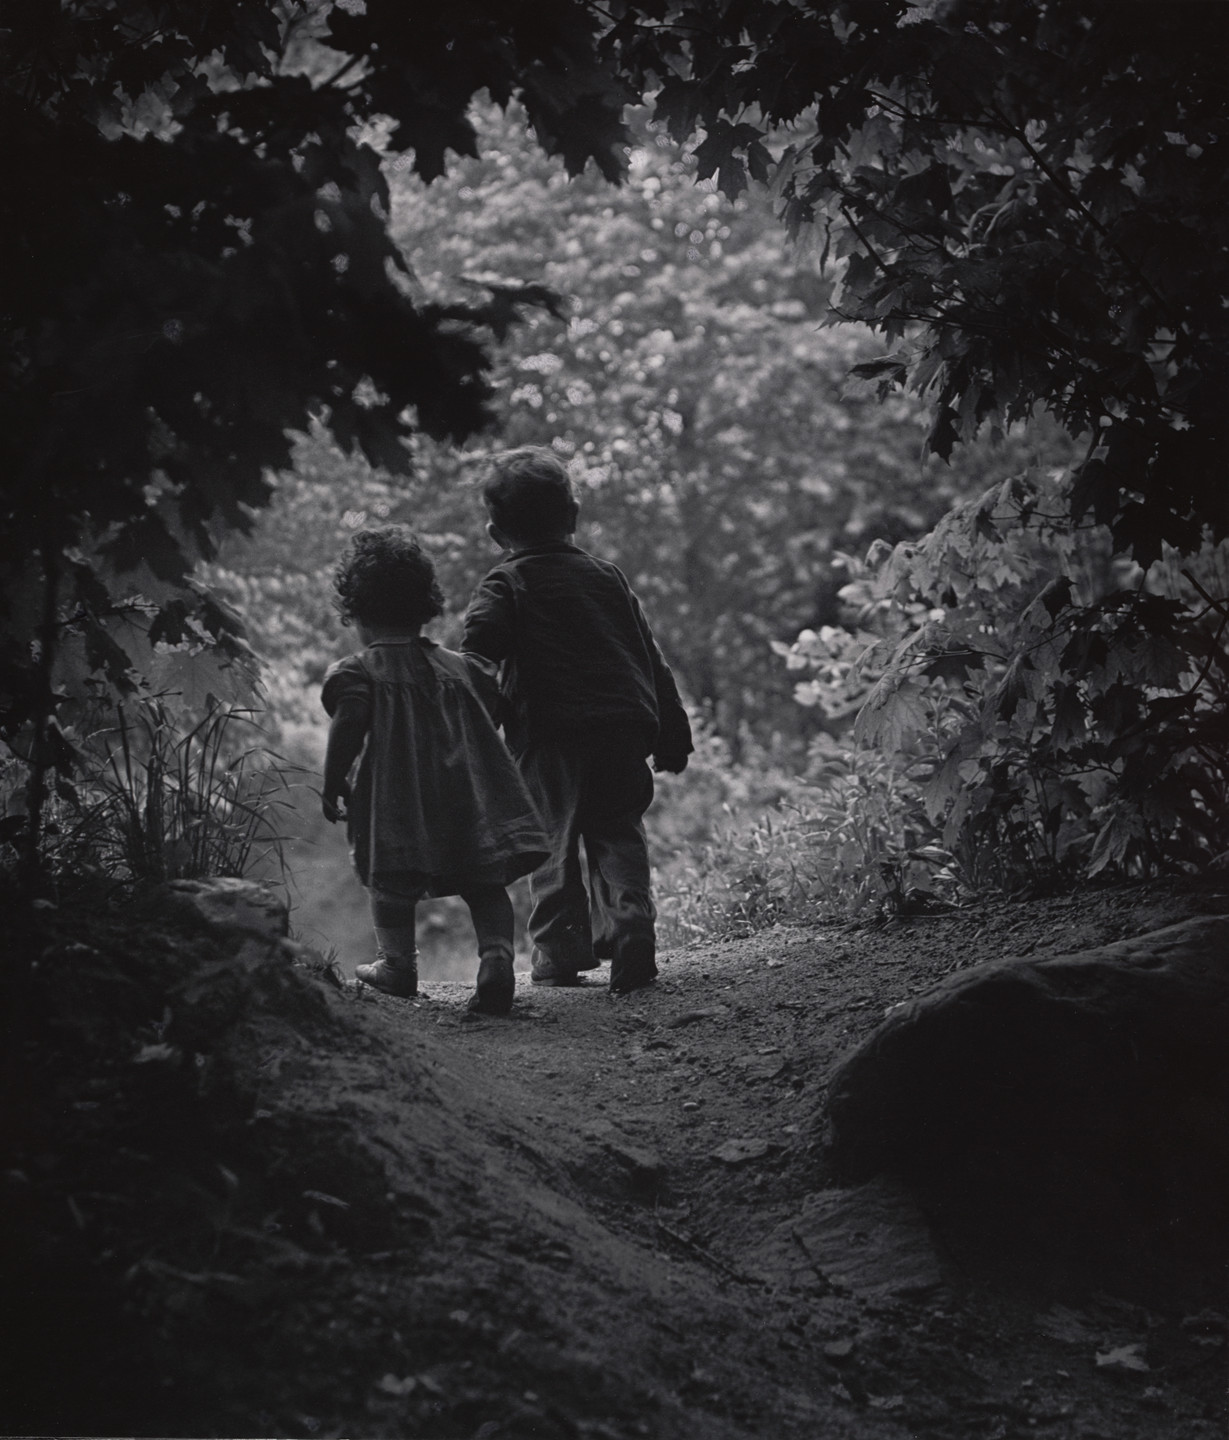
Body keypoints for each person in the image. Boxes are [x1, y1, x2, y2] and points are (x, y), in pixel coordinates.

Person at [462, 446, 693, 996]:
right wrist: (672, 730)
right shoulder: (608, 577)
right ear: (573, 515)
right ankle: (631, 919)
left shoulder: (505, 583)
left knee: (552, 843)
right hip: (622, 728)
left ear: (496, 533)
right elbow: (649, 656)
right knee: (618, 830)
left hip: (549, 735)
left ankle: (561, 951)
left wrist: (479, 719)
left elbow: (478, 655)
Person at [320, 526, 548, 1015]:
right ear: (425, 606)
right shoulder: (461, 668)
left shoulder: (359, 671)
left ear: (356, 612)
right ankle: (497, 959)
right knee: (484, 882)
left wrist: (333, 778)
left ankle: (397, 966)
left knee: (389, 883)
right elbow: (492, 708)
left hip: (397, 802)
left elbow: (348, 724)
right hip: (469, 796)